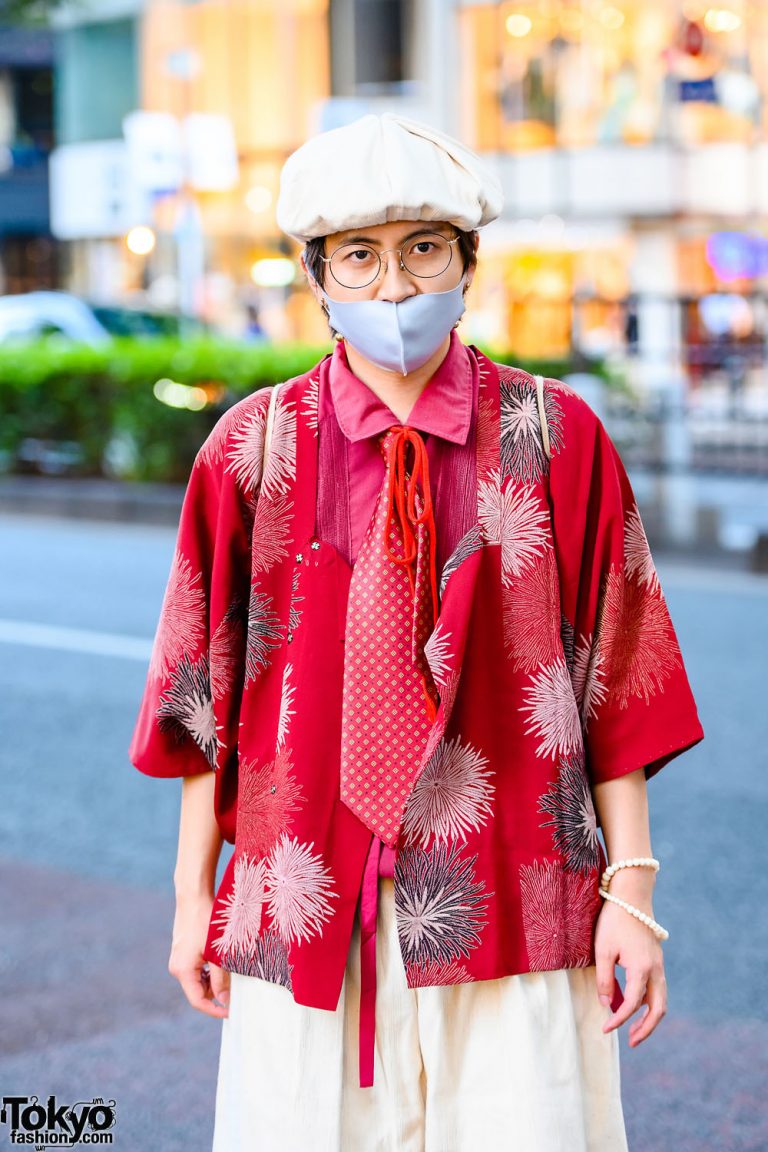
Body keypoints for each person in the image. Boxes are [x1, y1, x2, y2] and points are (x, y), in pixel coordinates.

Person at [129, 113, 704, 1152]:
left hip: (520, 894)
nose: (394, 287)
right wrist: (189, 900)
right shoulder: (251, 451)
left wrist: (635, 897)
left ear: (469, 261)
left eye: (423, 249)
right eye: (360, 256)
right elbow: (203, 699)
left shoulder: (555, 436)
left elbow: (618, 676)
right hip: (300, 898)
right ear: (317, 277)